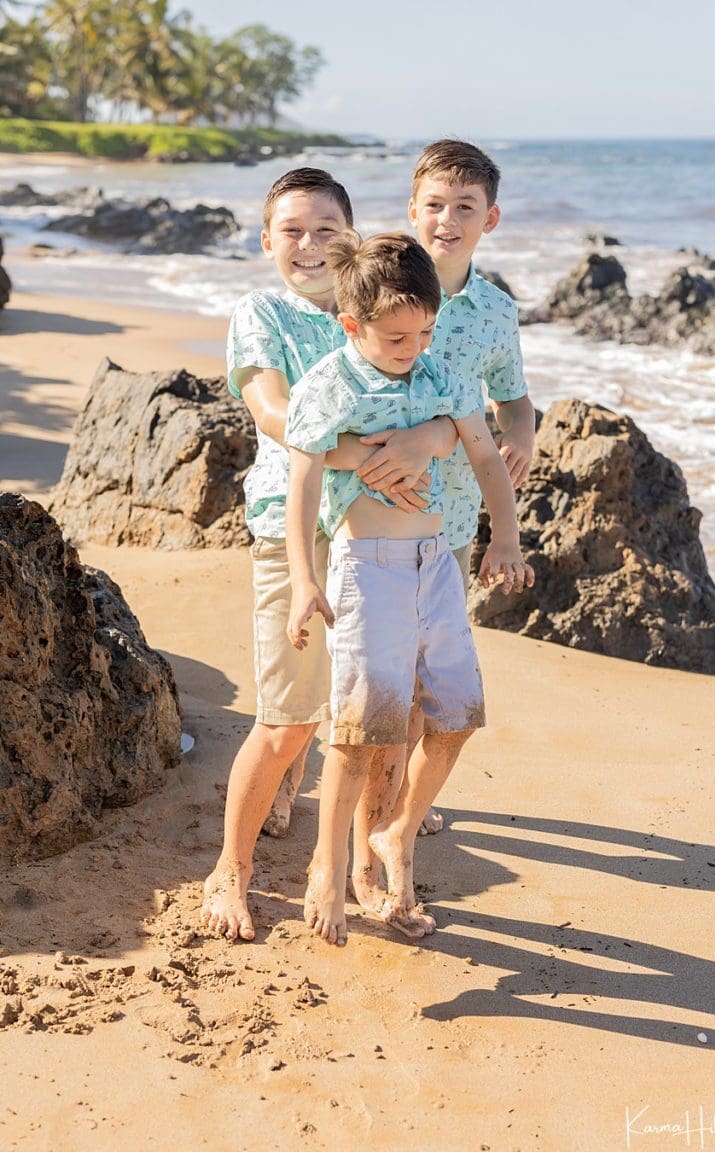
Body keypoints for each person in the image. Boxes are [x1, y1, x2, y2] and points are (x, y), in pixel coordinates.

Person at [200, 169, 455, 942]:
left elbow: (452, 409)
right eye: (290, 230)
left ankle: (365, 872)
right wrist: (375, 451)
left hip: (384, 541)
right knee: (288, 721)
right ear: (266, 239)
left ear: (352, 232)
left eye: (324, 228)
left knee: (375, 721)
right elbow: (274, 413)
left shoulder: (381, 306)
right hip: (297, 532)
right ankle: (229, 870)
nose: (307, 245)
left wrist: (427, 439)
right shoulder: (262, 312)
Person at [285, 231, 535, 947]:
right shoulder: (328, 385)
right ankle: (329, 871)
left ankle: (396, 834)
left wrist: (505, 539)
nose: (414, 345)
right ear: (351, 325)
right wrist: (305, 580)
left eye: (425, 330)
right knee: (359, 734)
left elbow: (487, 457)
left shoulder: (440, 377)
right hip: (367, 572)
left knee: (455, 718)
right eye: (397, 336)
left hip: (435, 564)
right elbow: (303, 485)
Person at [385, 138, 537, 837]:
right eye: (435, 205)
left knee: (425, 671)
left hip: (450, 516)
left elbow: (511, 396)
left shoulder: (496, 312)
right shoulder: (374, 285)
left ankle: (404, 799)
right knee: (358, 659)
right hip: (369, 506)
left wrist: (525, 435)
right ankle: (301, 772)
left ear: (491, 219)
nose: (448, 219)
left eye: (464, 207)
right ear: (412, 210)